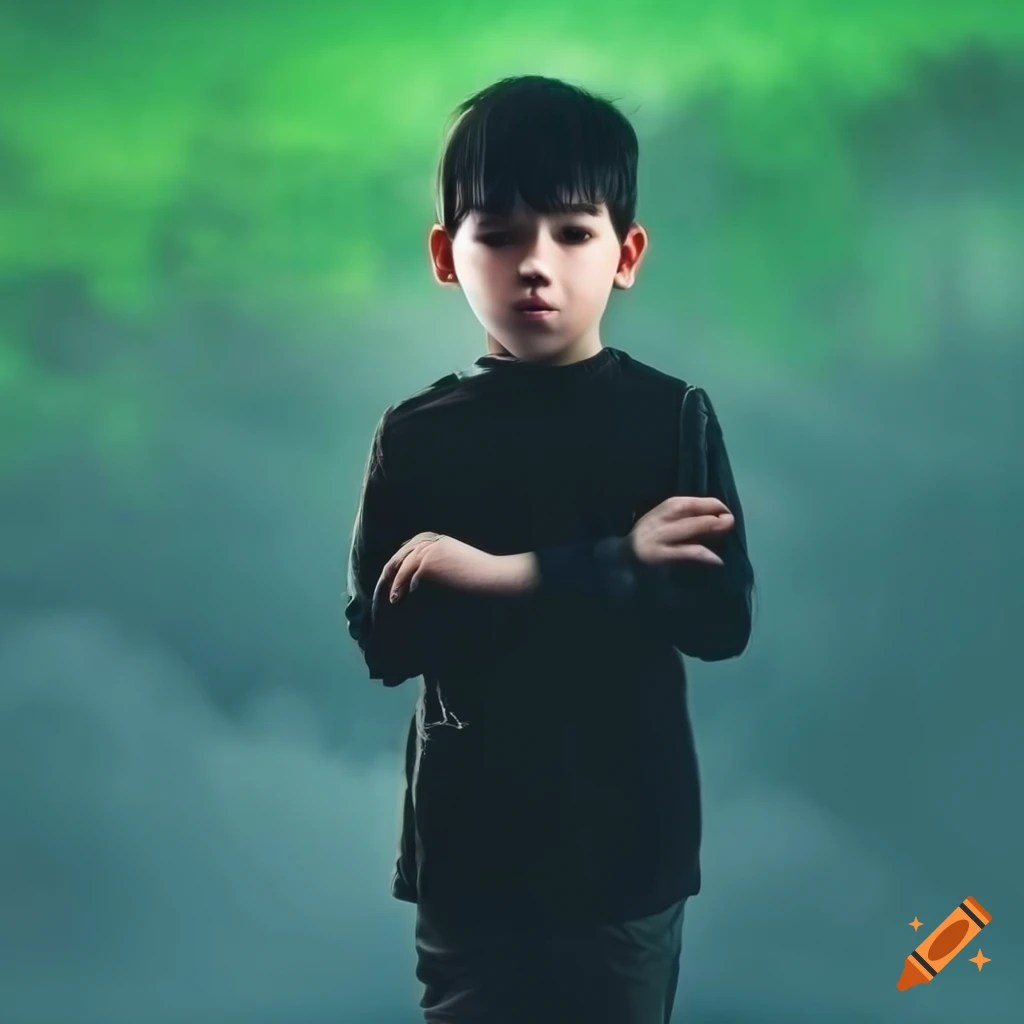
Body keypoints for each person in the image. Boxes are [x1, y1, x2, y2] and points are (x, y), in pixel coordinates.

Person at [344, 75, 754, 1024]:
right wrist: (624, 565)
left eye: (573, 232)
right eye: (499, 232)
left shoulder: (669, 418)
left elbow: (718, 620)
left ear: (627, 253)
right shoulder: (415, 435)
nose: (538, 263)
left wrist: (494, 575)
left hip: (623, 858)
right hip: (470, 857)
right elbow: (382, 644)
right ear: (448, 254)